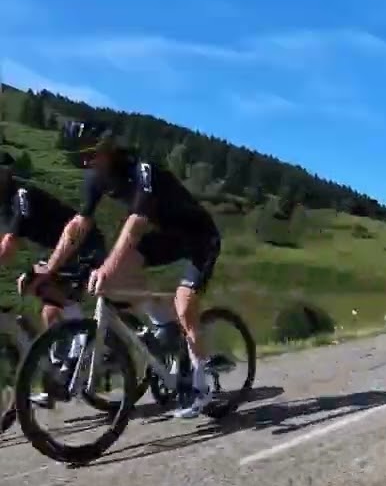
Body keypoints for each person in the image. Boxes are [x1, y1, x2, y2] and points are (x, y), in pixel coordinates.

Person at [71, 126, 223, 419]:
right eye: (82, 157)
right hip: (167, 238)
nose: (87, 162)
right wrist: (54, 268)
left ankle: (202, 386)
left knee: (185, 302)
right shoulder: (95, 178)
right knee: (117, 278)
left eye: (92, 155)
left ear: (109, 149)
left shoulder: (142, 170)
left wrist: (108, 265)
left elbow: (137, 221)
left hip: (199, 236)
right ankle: (163, 325)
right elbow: (78, 224)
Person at [0, 164, 108, 407]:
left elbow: (7, 246)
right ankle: (57, 377)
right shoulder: (3, 206)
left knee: (44, 287)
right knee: (49, 312)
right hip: (61, 253)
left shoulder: (21, 196)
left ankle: (82, 345)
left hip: (83, 247)